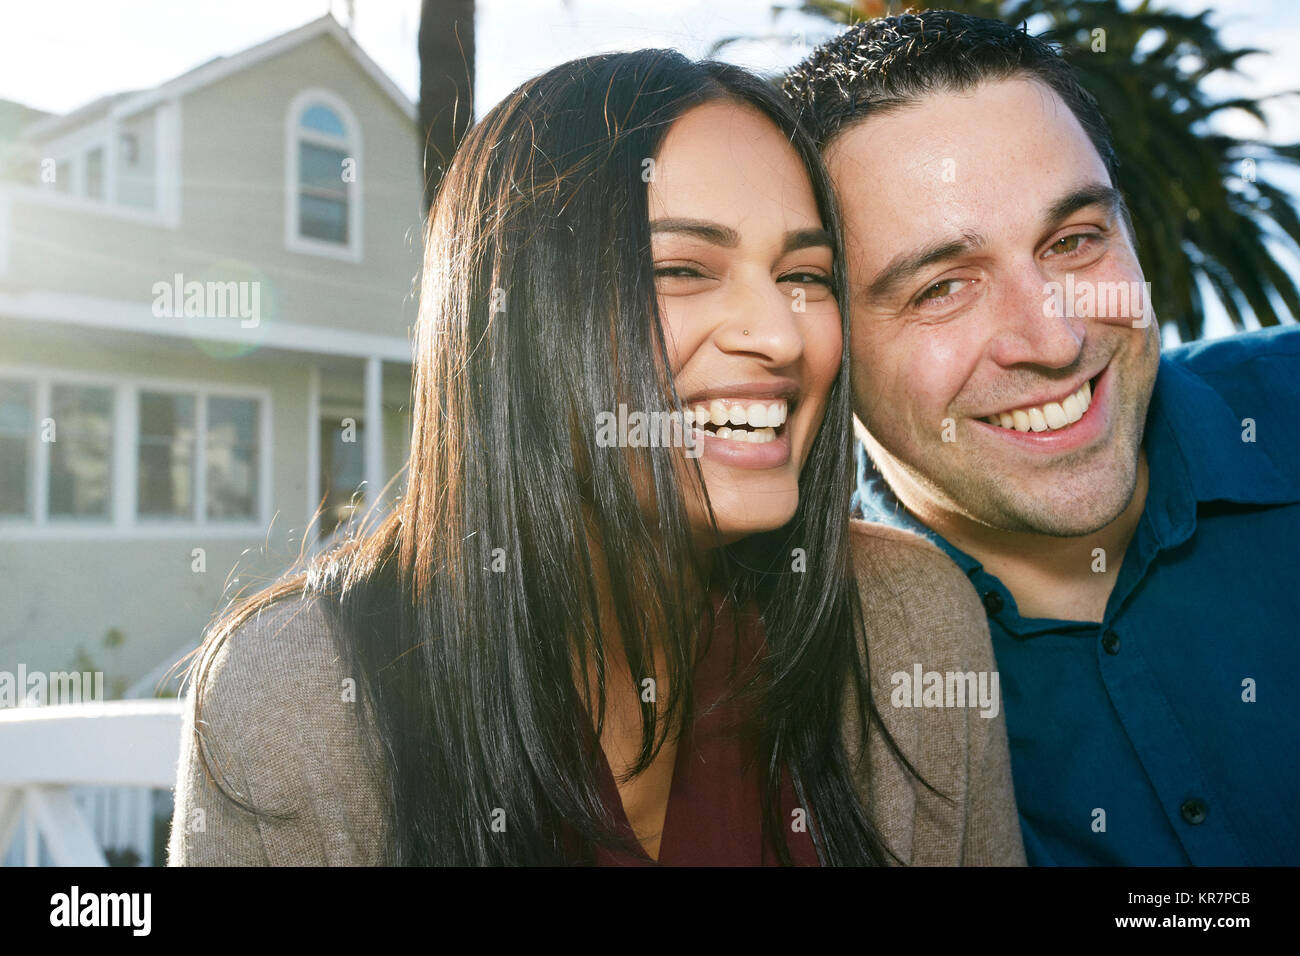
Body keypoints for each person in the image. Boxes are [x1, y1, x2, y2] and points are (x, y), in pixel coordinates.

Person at [168, 49, 1022, 866]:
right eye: (685, 269)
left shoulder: (912, 626)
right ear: (517, 322)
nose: (777, 333)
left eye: (805, 275)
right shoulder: (295, 695)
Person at [784, 10, 1300, 866]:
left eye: (1073, 241)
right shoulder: (802, 687)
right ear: (827, 343)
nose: (1055, 339)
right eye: (943, 287)